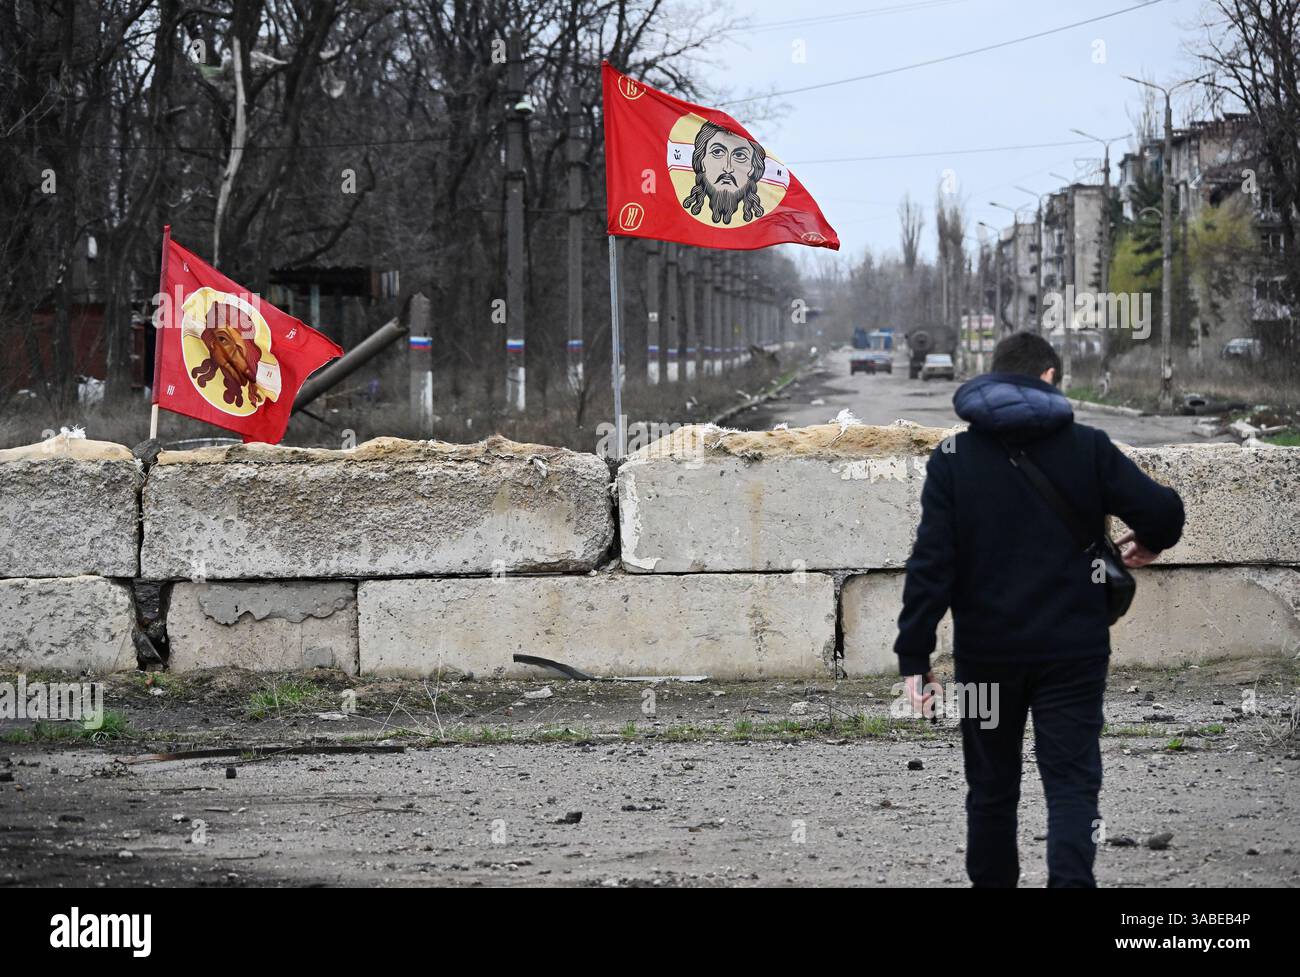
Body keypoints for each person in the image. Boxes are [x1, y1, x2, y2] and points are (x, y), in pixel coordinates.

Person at [894, 331, 1185, 887]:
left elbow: (931, 566)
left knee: (991, 789)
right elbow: (1163, 513)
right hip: (1073, 652)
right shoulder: (1089, 446)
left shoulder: (953, 458)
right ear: (1049, 377)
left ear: (994, 376)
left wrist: (915, 657)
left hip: (986, 655)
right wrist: (1148, 539)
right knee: (1072, 784)